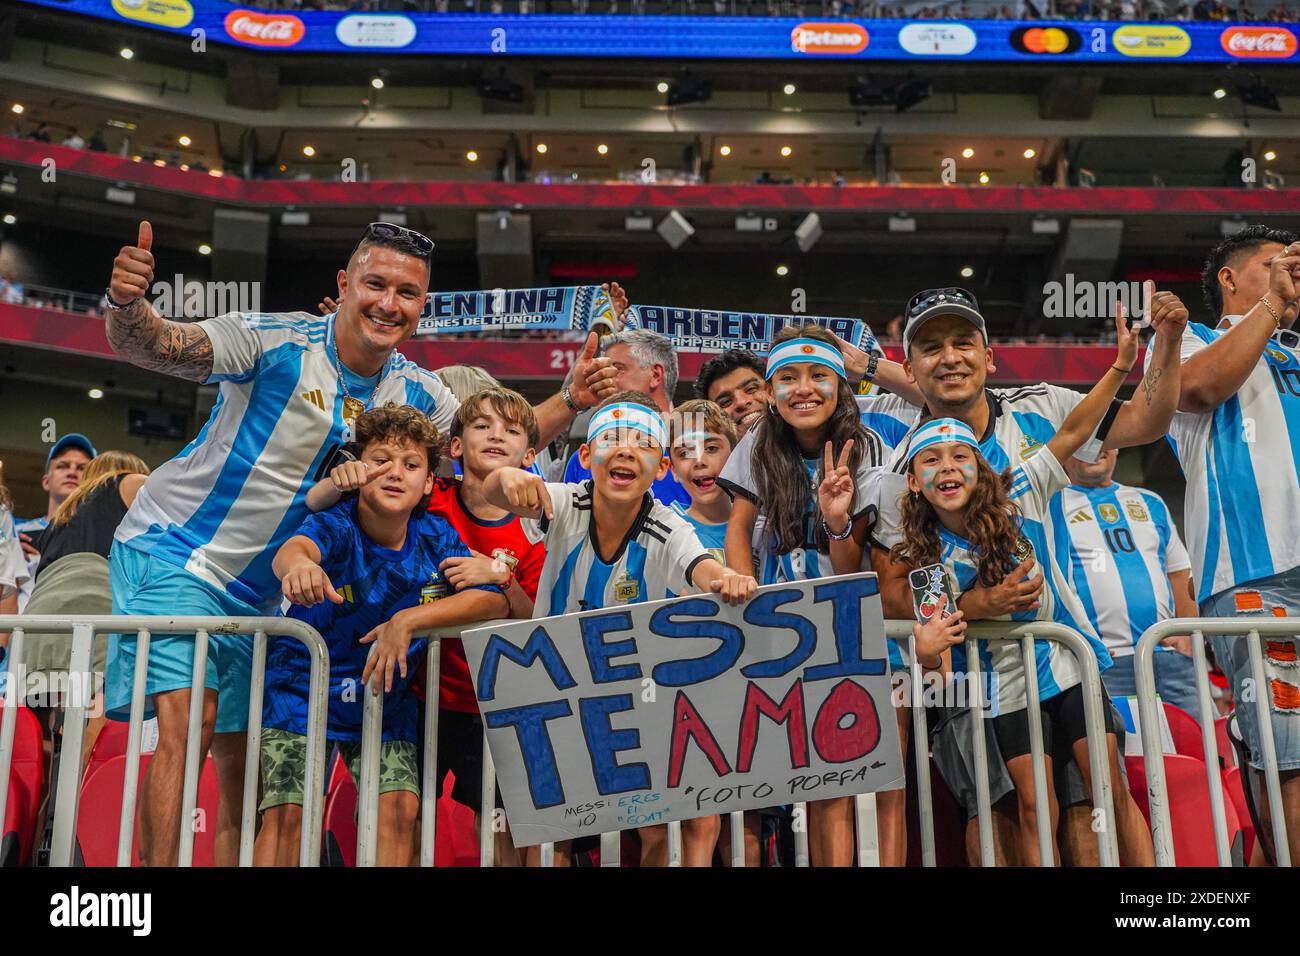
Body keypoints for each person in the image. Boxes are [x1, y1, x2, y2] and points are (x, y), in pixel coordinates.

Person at [100, 219, 622, 866]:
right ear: (344, 285)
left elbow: (489, 443)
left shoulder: (420, 394)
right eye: (375, 284)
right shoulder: (272, 340)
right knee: (191, 724)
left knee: (241, 767)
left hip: (268, 600)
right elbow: (157, 347)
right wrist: (129, 306)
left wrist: (568, 399)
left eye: (406, 293)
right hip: (178, 554)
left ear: (421, 306)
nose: (388, 303)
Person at [868, 285, 1186, 865]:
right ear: (909, 367)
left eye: (964, 342)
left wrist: (1157, 348)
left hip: (1061, 656)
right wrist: (978, 604)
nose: (950, 357)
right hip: (970, 682)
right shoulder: (896, 475)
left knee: (1094, 799)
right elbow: (901, 597)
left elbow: (1146, 419)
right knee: (997, 811)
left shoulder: (1033, 437)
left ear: (989, 357)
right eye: (931, 347)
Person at [485, 390, 757, 867]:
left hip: (635, 696)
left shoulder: (668, 525)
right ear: (586, 456)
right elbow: (496, 493)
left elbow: (700, 569)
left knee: (655, 825)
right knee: (553, 832)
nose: (627, 449)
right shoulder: (566, 503)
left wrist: (725, 578)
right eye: (611, 439)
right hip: (555, 691)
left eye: (645, 443)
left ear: (662, 469)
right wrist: (505, 477)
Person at [255, 404, 507, 867]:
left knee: (398, 812)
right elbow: (293, 551)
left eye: (411, 465)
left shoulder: (436, 535)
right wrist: (300, 567)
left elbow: (492, 600)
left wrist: (407, 620)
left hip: (384, 700)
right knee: (288, 816)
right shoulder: (337, 522)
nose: (395, 473)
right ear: (356, 469)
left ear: (429, 482)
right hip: (300, 695)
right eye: (380, 460)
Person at [719, 325, 894, 867]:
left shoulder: (870, 445)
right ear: (770, 393)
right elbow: (738, 528)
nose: (804, 389)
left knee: (866, 783)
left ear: (842, 387)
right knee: (813, 782)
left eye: (819, 375)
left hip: (856, 631)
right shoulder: (757, 443)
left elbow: (853, 558)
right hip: (783, 636)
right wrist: (744, 592)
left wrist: (838, 522)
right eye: (788, 378)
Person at [1158, 226, 1300, 863]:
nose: (1289, 278)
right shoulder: (1187, 340)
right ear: (1230, 279)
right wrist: (1272, 306)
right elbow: (1199, 389)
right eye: (1274, 266)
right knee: (1288, 757)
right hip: (1255, 579)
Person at [18, 451, 150, 785]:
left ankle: (31, 831)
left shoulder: (61, 518)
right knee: (93, 726)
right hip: (90, 616)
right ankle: (75, 821)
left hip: (39, 633)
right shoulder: (125, 483)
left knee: (45, 743)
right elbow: (177, 496)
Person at [1059, 448, 1201, 718]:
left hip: (1169, 659)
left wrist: (1187, 635)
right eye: (1084, 441)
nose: (1095, 448)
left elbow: (1179, 572)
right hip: (1102, 663)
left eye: (1103, 439)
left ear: (1116, 447)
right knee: (1122, 758)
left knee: (1193, 752)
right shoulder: (1051, 506)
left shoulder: (1150, 502)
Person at [562, 329, 690, 507]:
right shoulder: (585, 457)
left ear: (655, 375)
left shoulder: (698, 454)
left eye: (617, 370)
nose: (603, 379)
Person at [15, 434, 97, 609]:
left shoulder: (103, 536)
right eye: (62, 466)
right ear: (46, 481)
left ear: (93, 482)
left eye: (82, 468)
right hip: (17, 628)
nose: (72, 472)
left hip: (76, 627)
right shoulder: (14, 530)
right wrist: (6, 552)